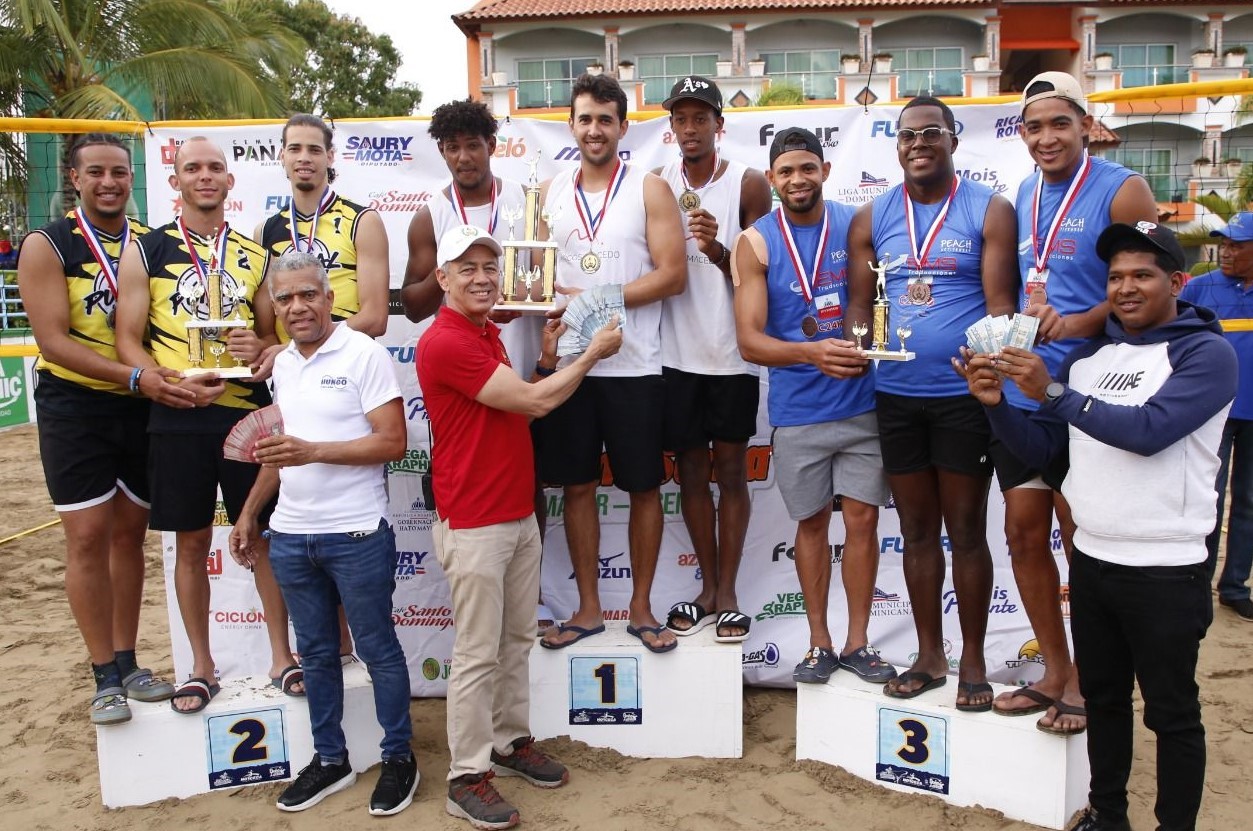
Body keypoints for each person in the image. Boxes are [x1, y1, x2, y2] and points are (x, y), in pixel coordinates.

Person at [955, 220, 1236, 831]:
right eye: (1115, 277)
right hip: (1095, 562)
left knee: (1171, 713)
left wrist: (1052, 392)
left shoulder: (1205, 353)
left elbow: (1148, 433)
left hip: (1166, 567)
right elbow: (1050, 456)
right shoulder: (1092, 357)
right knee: (1104, 702)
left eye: (1142, 275)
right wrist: (997, 406)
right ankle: (1108, 815)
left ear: (1177, 282)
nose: (1126, 288)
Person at [418, 225, 622, 829]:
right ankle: (464, 776)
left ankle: (508, 745)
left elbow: (511, 401)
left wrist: (549, 358)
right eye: (468, 267)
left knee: (513, 642)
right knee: (479, 652)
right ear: (443, 278)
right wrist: (589, 356)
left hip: (513, 512)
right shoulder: (445, 341)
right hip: (476, 519)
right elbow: (532, 404)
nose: (481, 276)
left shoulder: (483, 333)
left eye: (489, 265)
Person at [992, 71, 1159, 731]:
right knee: (1021, 532)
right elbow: (1014, 294)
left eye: (1058, 123)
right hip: (1023, 389)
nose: (1045, 137)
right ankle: (1053, 670)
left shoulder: (1121, 188)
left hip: (1086, 393)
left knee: (1080, 538)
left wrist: (1080, 321)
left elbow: (1141, 290)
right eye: (1033, 126)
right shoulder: (1024, 194)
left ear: (1085, 125)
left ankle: (1090, 679)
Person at [115, 136, 299, 712]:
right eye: (192, 167)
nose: (205, 176)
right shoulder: (145, 250)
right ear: (175, 180)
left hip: (243, 415)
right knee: (191, 543)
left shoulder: (255, 253)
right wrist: (163, 383)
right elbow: (127, 338)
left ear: (229, 181)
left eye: (215, 167)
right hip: (178, 413)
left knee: (264, 539)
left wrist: (261, 344)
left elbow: (275, 341)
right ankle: (201, 665)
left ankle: (281, 658)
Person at [228, 252, 416, 816]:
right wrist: (249, 513)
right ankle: (330, 760)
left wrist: (314, 452)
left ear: (330, 297)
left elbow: (393, 443)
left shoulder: (365, 353)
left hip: (356, 533)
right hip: (289, 536)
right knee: (313, 655)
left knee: (378, 649)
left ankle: (399, 757)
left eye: (307, 294)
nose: (296, 307)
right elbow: (280, 452)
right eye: (284, 298)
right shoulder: (283, 363)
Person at [847, 96, 1017, 710]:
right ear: (896, 145)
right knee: (917, 531)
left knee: (966, 531)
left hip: (960, 397)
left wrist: (988, 359)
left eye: (930, 133)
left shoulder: (989, 208)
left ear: (952, 139)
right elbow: (860, 304)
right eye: (907, 135)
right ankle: (929, 654)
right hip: (895, 395)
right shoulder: (873, 217)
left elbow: (1000, 304)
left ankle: (973, 659)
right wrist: (859, 344)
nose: (918, 143)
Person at [16, 133, 178, 725]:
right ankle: (102, 673)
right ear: (75, 180)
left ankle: (130, 662)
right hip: (76, 406)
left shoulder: (150, 243)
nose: (110, 182)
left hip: (139, 406)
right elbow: (53, 340)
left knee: (128, 536)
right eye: (97, 173)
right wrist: (136, 377)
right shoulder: (47, 243)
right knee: (86, 537)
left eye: (119, 172)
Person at [732, 127, 898, 685]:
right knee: (809, 526)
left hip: (860, 403)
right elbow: (750, 341)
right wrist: (811, 352)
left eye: (807, 168)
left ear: (824, 171)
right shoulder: (755, 242)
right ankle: (819, 643)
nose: (797, 180)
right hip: (799, 410)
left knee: (863, 520)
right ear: (772, 179)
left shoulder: (857, 223)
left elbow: (872, 299)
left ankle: (858, 641)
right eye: (786, 172)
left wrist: (852, 342)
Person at [534, 73, 687, 653]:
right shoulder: (548, 192)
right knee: (575, 486)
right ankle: (589, 608)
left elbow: (672, 275)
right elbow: (538, 276)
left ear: (623, 126)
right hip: (571, 367)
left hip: (635, 365)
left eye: (605, 119)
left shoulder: (648, 188)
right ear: (571, 126)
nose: (594, 129)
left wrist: (598, 301)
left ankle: (642, 607)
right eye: (584, 119)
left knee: (643, 487)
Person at [400, 99, 551, 629]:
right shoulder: (431, 214)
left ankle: (530, 609)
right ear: (442, 152)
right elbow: (413, 304)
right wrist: (460, 278)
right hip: (471, 372)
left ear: (493, 145)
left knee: (534, 491)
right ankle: (492, 614)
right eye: (453, 147)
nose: (464, 156)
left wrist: (519, 290)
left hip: (533, 363)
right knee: (480, 488)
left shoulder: (528, 201)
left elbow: (552, 272)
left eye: (473, 144)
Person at [654, 76, 772, 643]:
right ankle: (705, 587)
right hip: (674, 353)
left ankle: (728, 592)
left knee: (731, 472)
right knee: (691, 475)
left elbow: (760, 274)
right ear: (671, 126)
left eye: (701, 118)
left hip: (730, 354)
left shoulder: (747, 184)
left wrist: (718, 249)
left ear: (719, 125)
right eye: (681, 118)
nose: (691, 128)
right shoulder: (656, 184)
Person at [1181, 210, 1253, 622]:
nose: (1227, 252)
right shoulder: (1200, 289)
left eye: (1237, 245)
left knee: (1247, 502)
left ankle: (1235, 586)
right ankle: (1197, 586)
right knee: (1207, 500)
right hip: (1213, 415)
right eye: (1224, 244)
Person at [258, 113, 390, 338]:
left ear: (329, 157)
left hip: (346, 364)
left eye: (314, 150)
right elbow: (266, 331)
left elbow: (375, 319)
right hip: (290, 367)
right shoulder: (264, 231)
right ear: (282, 156)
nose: (304, 157)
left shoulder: (363, 221)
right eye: (295, 149)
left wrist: (311, 344)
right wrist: (288, 354)